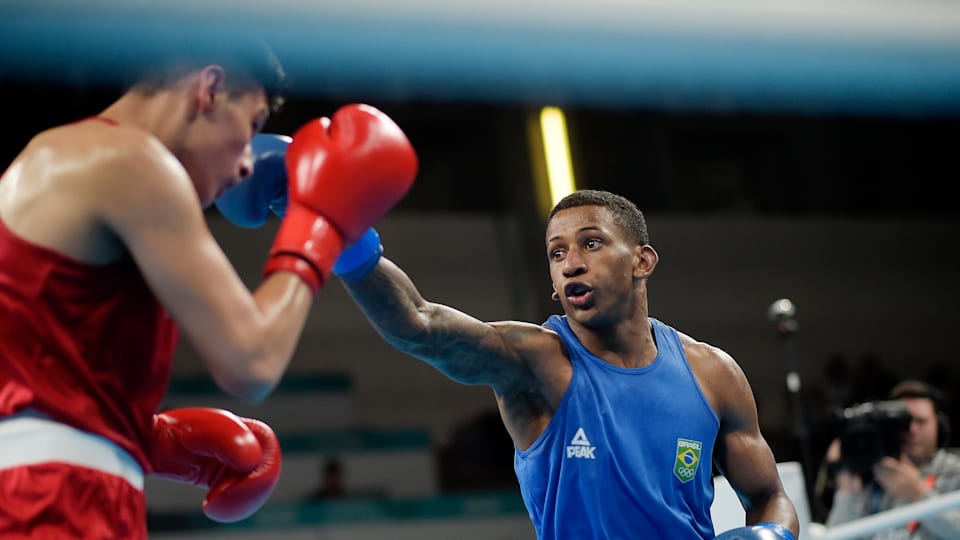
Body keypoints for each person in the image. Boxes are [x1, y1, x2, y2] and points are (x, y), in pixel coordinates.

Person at [0, 41, 418, 539]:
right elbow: (252, 360)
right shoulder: (132, 162)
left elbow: (36, 377)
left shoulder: (53, 161)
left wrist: (157, 441)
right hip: (57, 503)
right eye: (254, 126)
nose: (247, 164)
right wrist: (320, 222)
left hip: (44, 496)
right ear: (211, 89)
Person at [326, 189, 799, 539]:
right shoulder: (536, 361)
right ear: (554, 283)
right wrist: (342, 237)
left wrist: (772, 535)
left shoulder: (713, 373)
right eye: (557, 253)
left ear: (642, 261)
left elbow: (769, 496)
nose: (571, 263)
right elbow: (419, 323)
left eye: (591, 243)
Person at [824, 380, 960, 539]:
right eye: (904, 422)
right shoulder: (874, 474)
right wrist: (849, 490)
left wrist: (919, 496)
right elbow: (835, 535)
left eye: (921, 421)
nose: (912, 430)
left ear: (940, 426)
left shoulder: (955, 472)